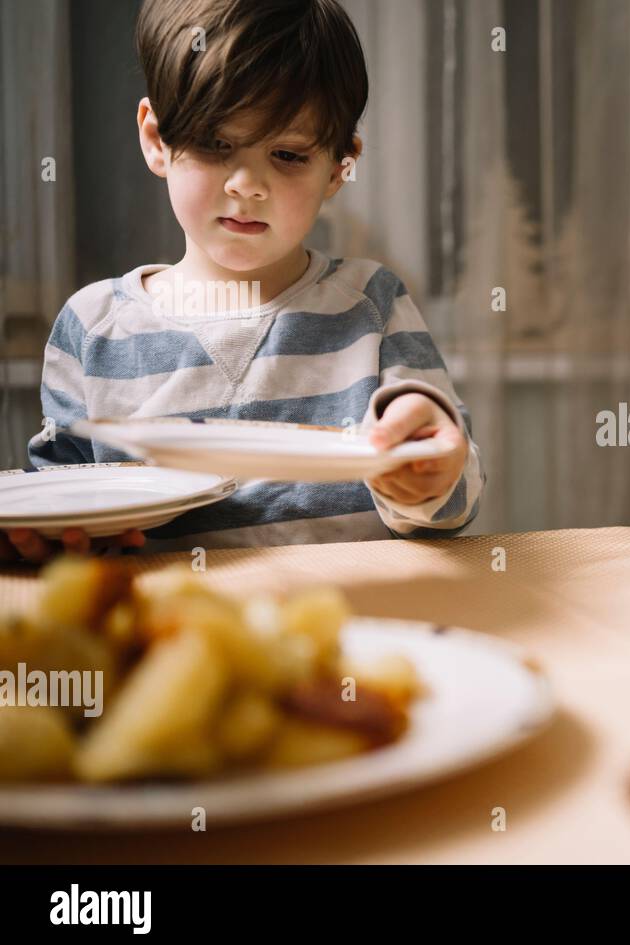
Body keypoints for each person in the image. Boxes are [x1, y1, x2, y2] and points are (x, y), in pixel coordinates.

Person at [4, 0, 483, 563]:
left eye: (287, 154)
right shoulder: (92, 326)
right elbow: (54, 507)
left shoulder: (372, 305)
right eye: (215, 143)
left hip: (347, 626)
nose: (247, 184)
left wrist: (431, 474)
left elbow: (450, 502)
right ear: (157, 139)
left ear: (338, 167)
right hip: (171, 633)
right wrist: (49, 543)